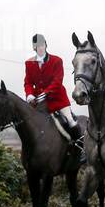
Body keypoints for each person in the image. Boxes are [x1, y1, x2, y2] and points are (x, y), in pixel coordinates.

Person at [24, 33, 85, 161]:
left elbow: (57, 81)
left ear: (45, 45)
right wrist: (29, 94)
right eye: (37, 46)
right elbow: (28, 82)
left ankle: (81, 149)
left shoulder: (57, 60)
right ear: (34, 47)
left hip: (57, 99)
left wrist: (45, 93)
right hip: (38, 101)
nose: (40, 48)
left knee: (70, 121)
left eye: (42, 45)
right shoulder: (29, 63)